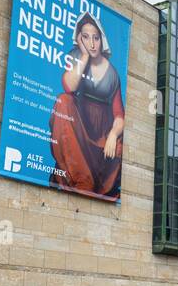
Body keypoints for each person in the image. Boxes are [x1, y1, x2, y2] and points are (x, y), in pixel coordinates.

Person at [48, 11, 125, 199]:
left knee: (122, 146)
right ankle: (81, 178)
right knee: (63, 101)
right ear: (79, 39)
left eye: (96, 38)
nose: (92, 43)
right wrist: (84, 56)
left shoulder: (113, 73)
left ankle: (101, 185)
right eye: (86, 37)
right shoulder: (75, 56)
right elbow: (68, 86)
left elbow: (119, 115)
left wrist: (113, 135)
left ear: (102, 40)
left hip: (101, 134)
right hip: (78, 126)